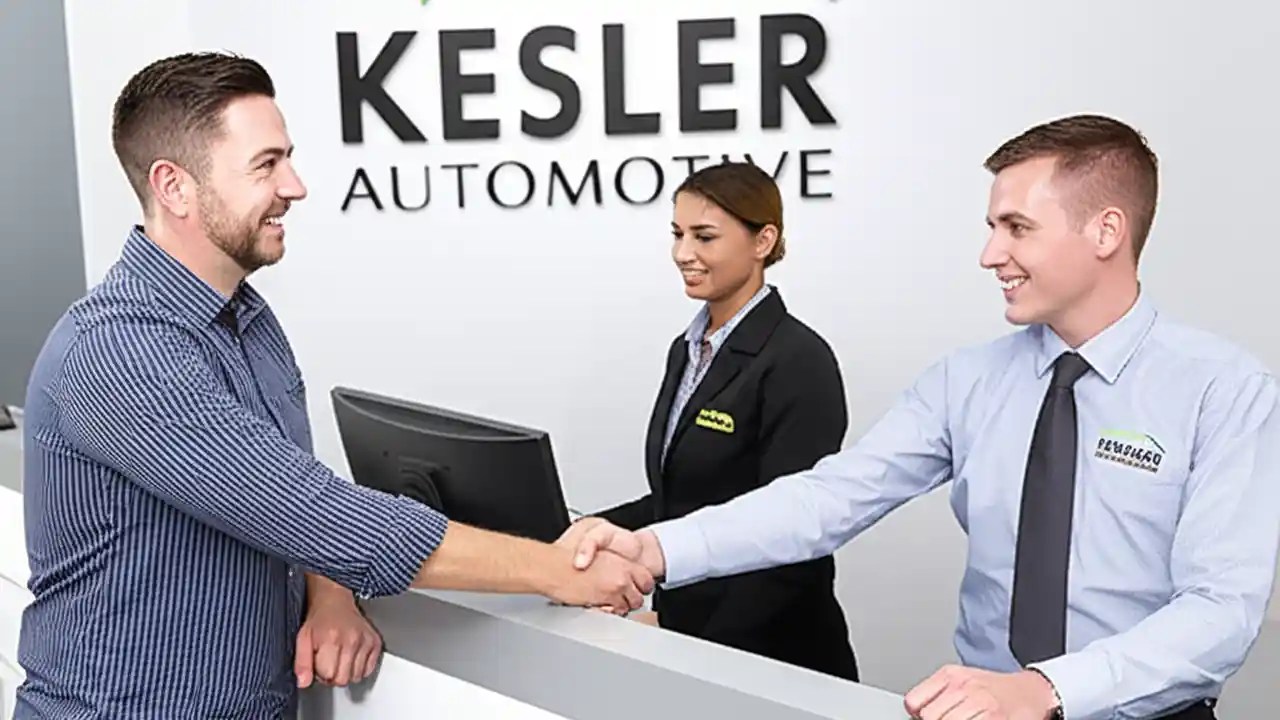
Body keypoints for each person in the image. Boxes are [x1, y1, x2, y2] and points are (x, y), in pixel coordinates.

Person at [563, 114, 1280, 720]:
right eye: (992, 226)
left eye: (1017, 227)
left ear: (1106, 231)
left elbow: (1220, 611)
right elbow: (829, 497)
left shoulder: (1223, 391)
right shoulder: (965, 381)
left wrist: (1048, 688)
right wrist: (658, 549)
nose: (989, 253)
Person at [15, 52, 652, 720]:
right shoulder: (120, 351)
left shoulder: (249, 321)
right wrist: (561, 570)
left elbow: (281, 486)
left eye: (287, 157)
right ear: (174, 187)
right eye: (266, 164)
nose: (295, 185)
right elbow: (312, 511)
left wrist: (329, 590)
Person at [577, 162, 859, 680]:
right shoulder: (686, 351)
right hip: (691, 646)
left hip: (772, 657)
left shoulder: (799, 360)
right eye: (678, 234)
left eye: (704, 236)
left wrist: (680, 633)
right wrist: (584, 531)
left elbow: (793, 534)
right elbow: (681, 496)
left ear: (763, 240)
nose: (684, 253)